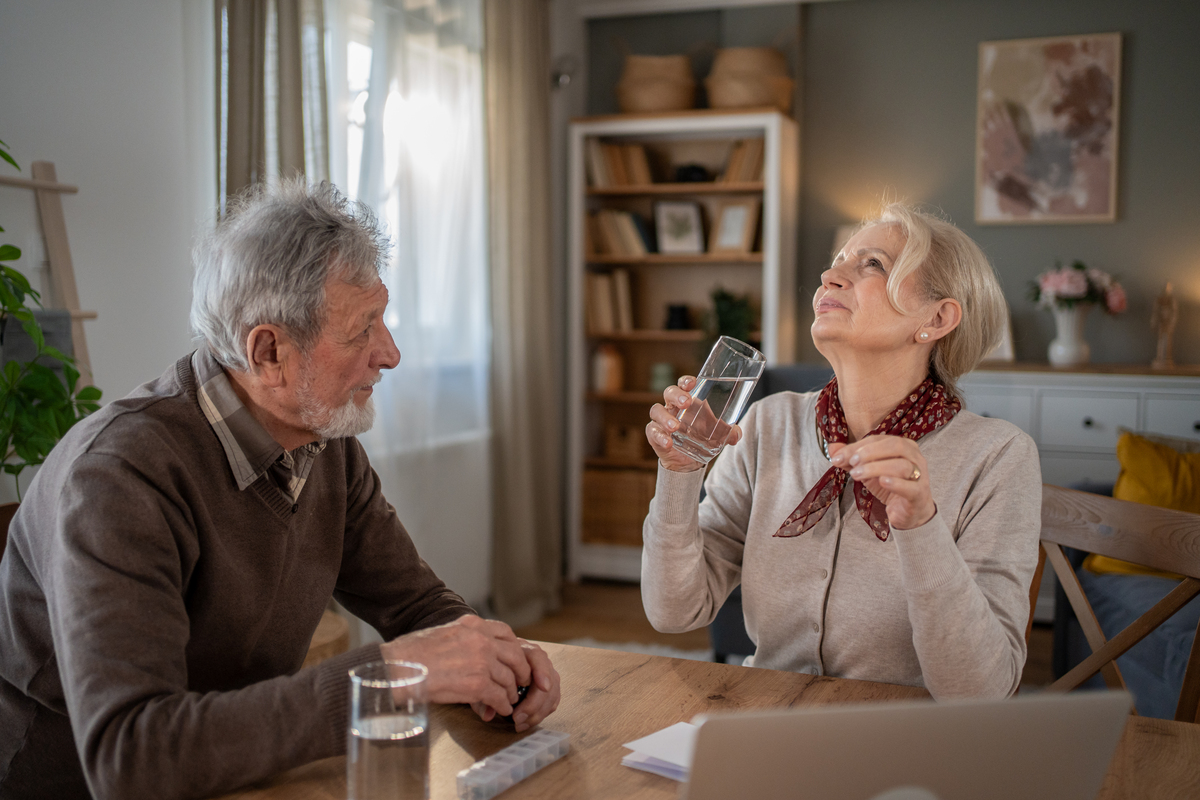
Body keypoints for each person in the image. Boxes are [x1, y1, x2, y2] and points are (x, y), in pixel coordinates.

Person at [0, 181, 560, 800]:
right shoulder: (117, 478)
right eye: (363, 328)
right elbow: (132, 758)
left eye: (384, 317)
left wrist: (494, 655)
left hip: (236, 777)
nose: (391, 353)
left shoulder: (322, 441)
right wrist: (394, 674)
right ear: (268, 350)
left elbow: (415, 606)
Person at [642, 203, 1041, 700]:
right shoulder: (767, 424)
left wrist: (920, 526)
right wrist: (679, 472)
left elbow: (981, 691)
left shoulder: (999, 457)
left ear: (938, 318)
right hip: (764, 727)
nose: (829, 275)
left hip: (905, 752)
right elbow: (673, 611)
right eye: (837, 261)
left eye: (871, 264)